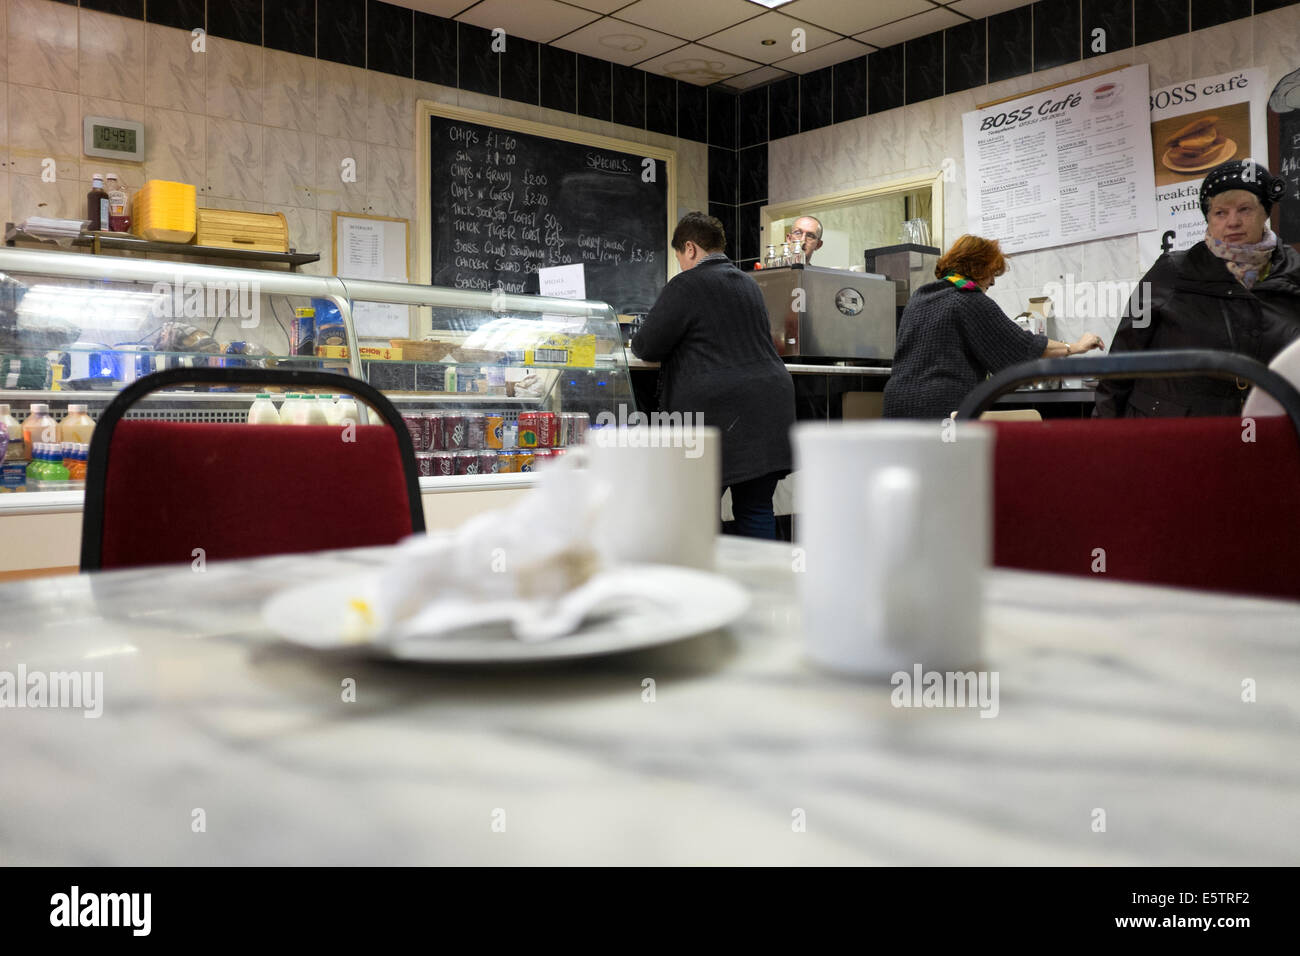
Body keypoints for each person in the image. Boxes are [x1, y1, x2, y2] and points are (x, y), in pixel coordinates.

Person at [631, 212, 795, 539]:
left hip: (718, 412)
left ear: (690, 248)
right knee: (755, 507)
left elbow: (646, 346)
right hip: (770, 404)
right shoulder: (748, 284)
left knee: (697, 509)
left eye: (679, 257)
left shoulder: (687, 284)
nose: (680, 265)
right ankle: (758, 585)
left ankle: (703, 584)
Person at [1095, 159, 1300, 417]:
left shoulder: (1294, 275)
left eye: (1245, 209)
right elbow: (1122, 354)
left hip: (1262, 434)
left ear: (1265, 213)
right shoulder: (1167, 270)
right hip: (1173, 435)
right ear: (1208, 219)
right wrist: (1105, 438)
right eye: (1220, 212)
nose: (1233, 221)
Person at [883, 234, 1105, 420]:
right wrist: (1076, 346)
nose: (993, 282)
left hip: (896, 408)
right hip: (939, 410)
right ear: (978, 267)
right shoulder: (967, 300)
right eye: (992, 272)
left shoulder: (919, 297)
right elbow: (1022, 348)